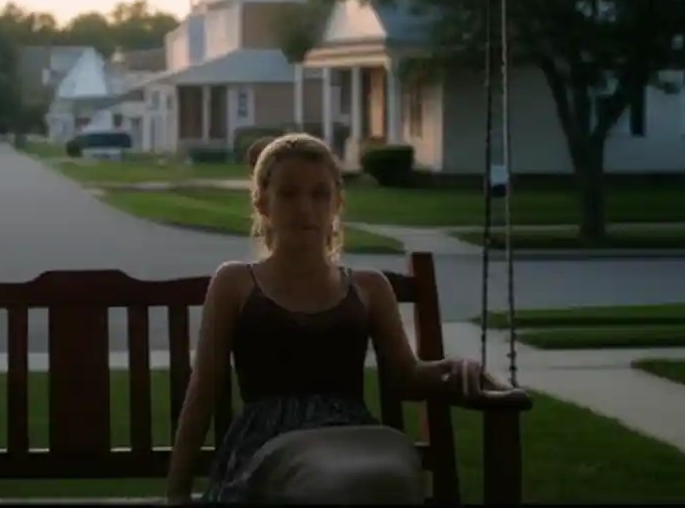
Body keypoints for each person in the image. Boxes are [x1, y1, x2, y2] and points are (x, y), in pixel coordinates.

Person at [165, 132, 525, 504]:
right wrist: (177, 492)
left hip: (355, 440)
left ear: (338, 203)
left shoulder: (368, 288)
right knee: (324, 486)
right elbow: (203, 389)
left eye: (319, 195)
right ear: (262, 202)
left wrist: (456, 373)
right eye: (288, 194)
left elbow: (407, 377)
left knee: (383, 477)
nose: (305, 208)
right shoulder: (237, 283)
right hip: (271, 447)